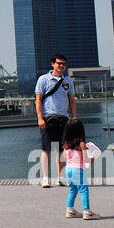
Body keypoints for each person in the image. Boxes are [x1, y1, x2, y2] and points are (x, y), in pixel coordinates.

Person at [35, 54, 76, 187]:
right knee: (46, 149)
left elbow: (72, 101)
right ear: (52, 64)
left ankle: (60, 176)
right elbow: (38, 100)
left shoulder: (68, 81)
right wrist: (40, 118)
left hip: (63, 118)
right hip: (48, 118)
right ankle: (46, 177)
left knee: (63, 149)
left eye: (64, 64)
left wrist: (74, 119)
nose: (62, 66)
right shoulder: (43, 79)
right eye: (59, 63)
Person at [61, 117, 98, 219]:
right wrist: (92, 158)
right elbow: (86, 160)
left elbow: (64, 157)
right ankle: (87, 211)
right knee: (83, 190)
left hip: (68, 170)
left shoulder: (66, 145)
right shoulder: (81, 146)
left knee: (72, 190)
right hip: (78, 170)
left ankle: (70, 210)